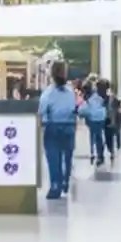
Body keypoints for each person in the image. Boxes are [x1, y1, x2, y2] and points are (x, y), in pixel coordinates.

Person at [39, 61, 78, 200]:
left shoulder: (48, 93)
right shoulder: (70, 92)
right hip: (69, 126)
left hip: (53, 126)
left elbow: (42, 111)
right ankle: (65, 182)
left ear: (51, 74)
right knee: (67, 156)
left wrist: (42, 123)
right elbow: (75, 108)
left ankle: (55, 185)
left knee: (53, 157)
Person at [81, 82, 109, 166]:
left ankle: (95, 153)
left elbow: (86, 107)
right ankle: (98, 154)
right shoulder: (103, 96)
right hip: (100, 118)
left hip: (93, 118)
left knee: (95, 135)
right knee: (98, 136)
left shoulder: (90, 97)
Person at [102, 80, 121, 160]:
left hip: (113, 119)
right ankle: (112, 150)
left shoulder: (114, 97)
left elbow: (120, 107)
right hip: (108, 119)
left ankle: (113, 150)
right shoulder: (106, 97)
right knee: (109, 136)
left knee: (112, 134)